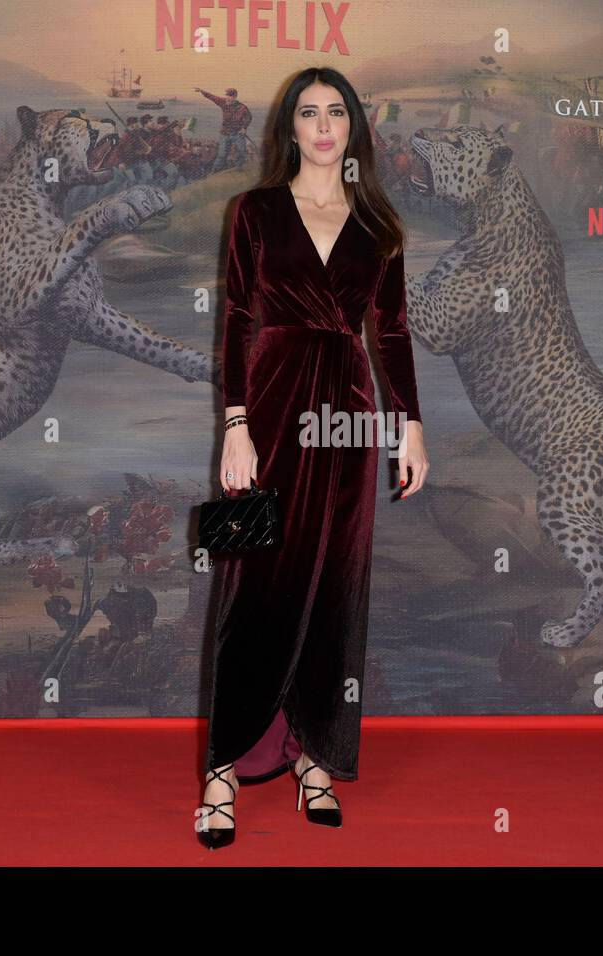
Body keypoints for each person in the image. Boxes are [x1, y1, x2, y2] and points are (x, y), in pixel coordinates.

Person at [196, 67, 429, 849]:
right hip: (266, 407)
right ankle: (223, 769)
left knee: (336, 579)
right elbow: (234, 317)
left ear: (353, 127)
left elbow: (389, 332)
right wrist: (234, 423)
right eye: (308, 112)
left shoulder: (379, 223)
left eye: (336, 112)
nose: (323, 124)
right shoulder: (254, 212)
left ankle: (316, 757)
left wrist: (411, 426)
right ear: (288, 128)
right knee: (250, 583)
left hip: (350, 419)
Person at [195, 86, 252, 171]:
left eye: (230, 96)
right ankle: (214, 171)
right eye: (227, 95)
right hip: (225, 134)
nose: (228, 98)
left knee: (241, 151)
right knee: (222, 154)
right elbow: (212, 97)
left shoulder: (242, 107)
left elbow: (249, 117)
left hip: (237, 133)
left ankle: (239, 168)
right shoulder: (223, 102)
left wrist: (244, 128)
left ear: (235, 96)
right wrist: (202, 91)